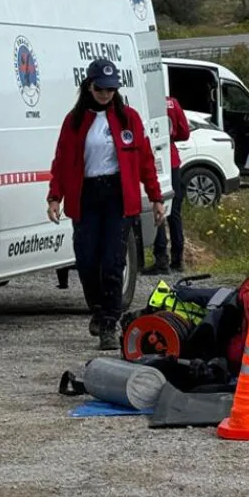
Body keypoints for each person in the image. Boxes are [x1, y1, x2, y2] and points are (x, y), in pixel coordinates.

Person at [47, 58, 165, 350]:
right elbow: (62, 161)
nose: (105, 94)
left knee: (113, 262)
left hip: (117, 196)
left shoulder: (130, 119)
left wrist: (156, 197)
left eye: (111, 89)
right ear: (89, 86)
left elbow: (145, 161)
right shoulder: (74, 121)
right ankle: (99, 310)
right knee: (87, 261)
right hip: (86, 195)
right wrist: (54, 196)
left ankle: (110, 323)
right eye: (101, 88)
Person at [148, 95, 190, 274]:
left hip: (152, 161)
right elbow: (185, 133)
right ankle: (177, 259)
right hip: (171, 159)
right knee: (174, 212)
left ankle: (161, 259)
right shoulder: (173, 103)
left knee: (156, 209)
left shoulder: (146, 100)